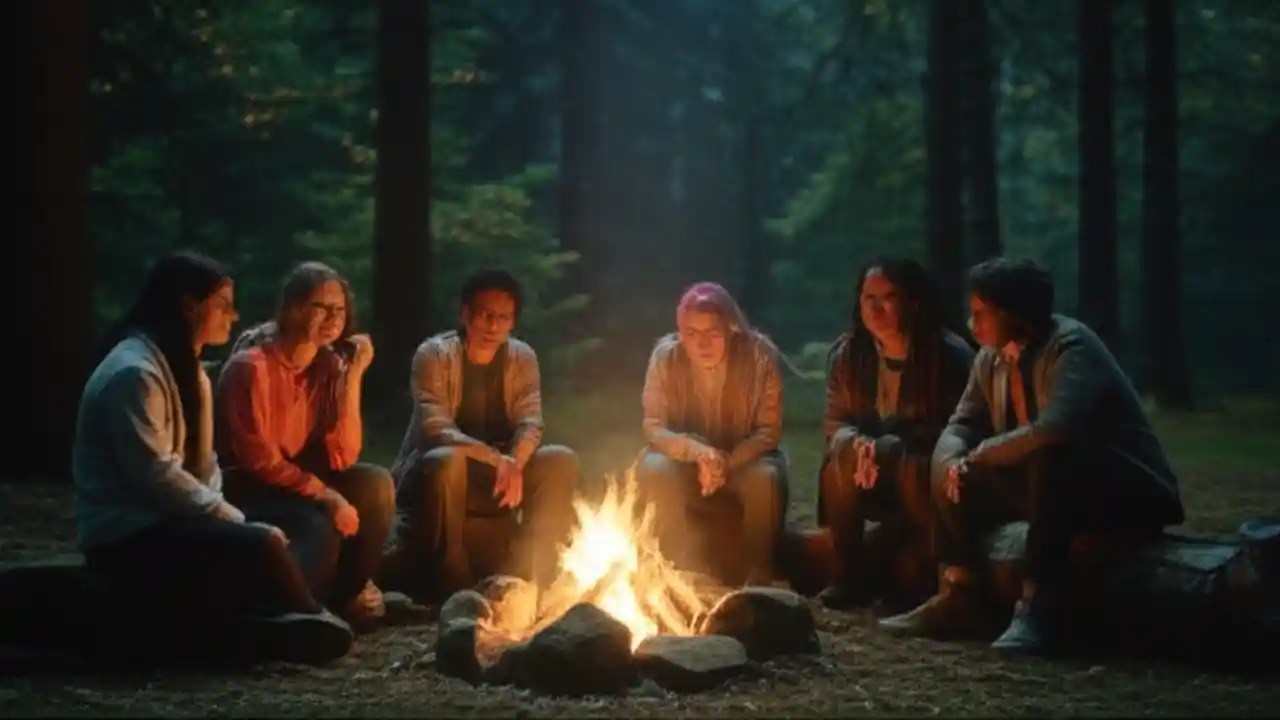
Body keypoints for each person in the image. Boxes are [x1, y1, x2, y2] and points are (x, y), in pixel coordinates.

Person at [878, 257, 1185, 654]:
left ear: (1012, 312)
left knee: (1050, 455)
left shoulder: (1071, 347)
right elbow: (961, 423)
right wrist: (953, 460)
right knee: (952, 465)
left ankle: (1039, 604)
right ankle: (960, 589)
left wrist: (983, 453)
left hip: (1124, 489)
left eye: (980, 313)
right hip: (1052, 489)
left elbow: (1057, 428)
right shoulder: (990, 358)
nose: (973, 325)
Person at [72, 251, 351, 664]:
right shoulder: (135, 373)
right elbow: (154, 476)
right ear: (190, 306)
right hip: (129, 533)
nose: (234, 316)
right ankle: (309, 617)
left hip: (179, 518)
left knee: (308, 531)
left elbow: (205, 467)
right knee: (263, 542)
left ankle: (262, 617)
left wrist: (224, 514)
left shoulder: (191, 371)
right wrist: (231, 519)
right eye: (223, 304)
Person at [215, 261, 394, 633]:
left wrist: (354, 376)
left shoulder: (328, 365)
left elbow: (344, 455)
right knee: (318, 523)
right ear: (293, 308)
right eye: (321, 308)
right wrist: (327, 496)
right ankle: (282, 611)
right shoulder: (251, 367)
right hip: (248, 485)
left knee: (375, 484)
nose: (333, 319)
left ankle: (341, 599)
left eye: (340, 310)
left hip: (300, 480)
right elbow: (257, 460)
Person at [388, 269, 578, 601]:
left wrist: (515, 463)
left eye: (503, 318)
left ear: (512, 322)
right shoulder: (434, 354)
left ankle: (538, 573)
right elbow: (435, 428)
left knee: (559, 459)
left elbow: (531, 421)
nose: (493, 326)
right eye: (485, 315)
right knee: (447, 461)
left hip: (500, 469)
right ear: (466, 314)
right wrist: (496, 458)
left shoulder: (521, 357)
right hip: (439, 470)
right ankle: (450, 582)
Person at [818, 258, 975, 609]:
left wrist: (890, 446)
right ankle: (847, 575)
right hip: (866, 466)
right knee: (836, 464)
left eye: (888, 297)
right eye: (867, 297)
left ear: (913, 303)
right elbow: (835, 421)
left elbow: (960, 426)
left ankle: (922, 578)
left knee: (912, 467)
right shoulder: (850, 354)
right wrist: (855, 442)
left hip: (923, 469)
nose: (875, 308)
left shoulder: (947, 354)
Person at [637, 281, 788, 584]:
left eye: (712, 334)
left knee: (765, 479)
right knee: (654, 468)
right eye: (692, 334)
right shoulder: (665, 358)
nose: (702, 345)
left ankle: (758, 576)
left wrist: (725, 462)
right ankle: (676, 573)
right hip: (685, 461)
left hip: (745, 461)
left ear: (730, 330)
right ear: (681, 334)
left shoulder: (758, 357)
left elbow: (768, 432)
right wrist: (698, 453)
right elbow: (654, 427)